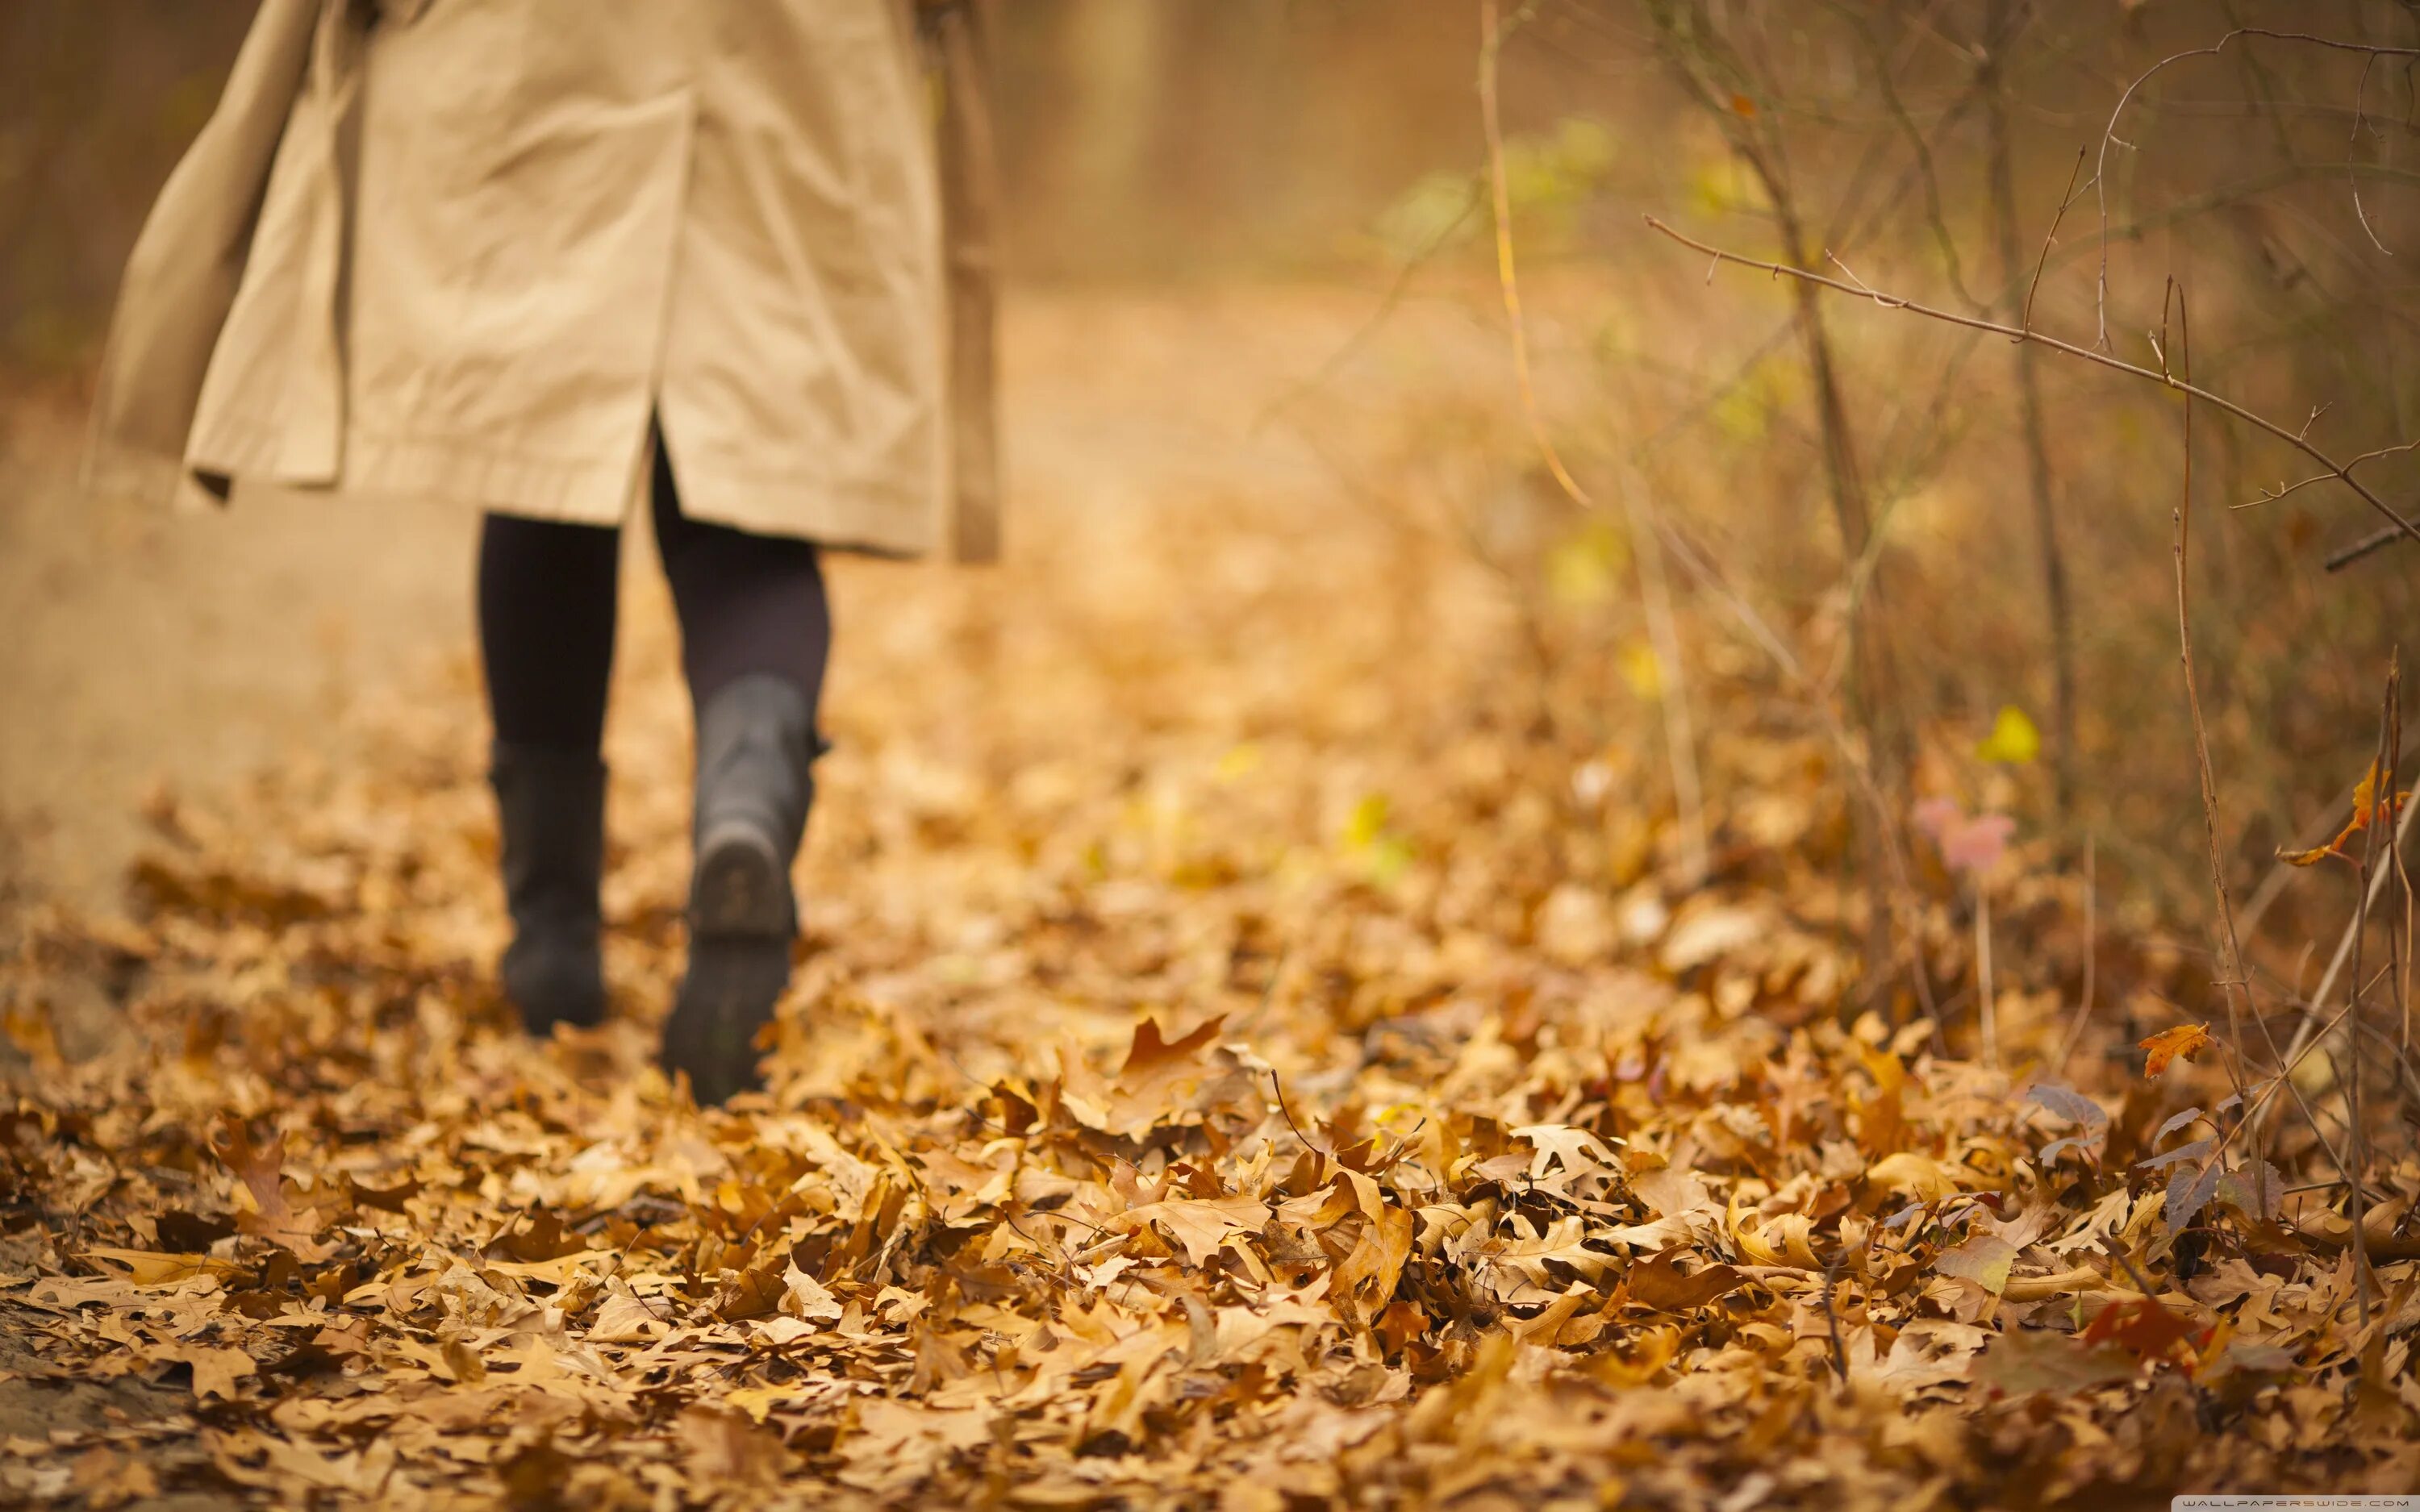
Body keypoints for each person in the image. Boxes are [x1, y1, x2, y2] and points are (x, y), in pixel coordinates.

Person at [82, 0, 1000, 1105]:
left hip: (546, 43)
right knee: (748, 498)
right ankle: (746, 804)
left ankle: (554, 938)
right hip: (799, 43)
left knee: (545, 449)